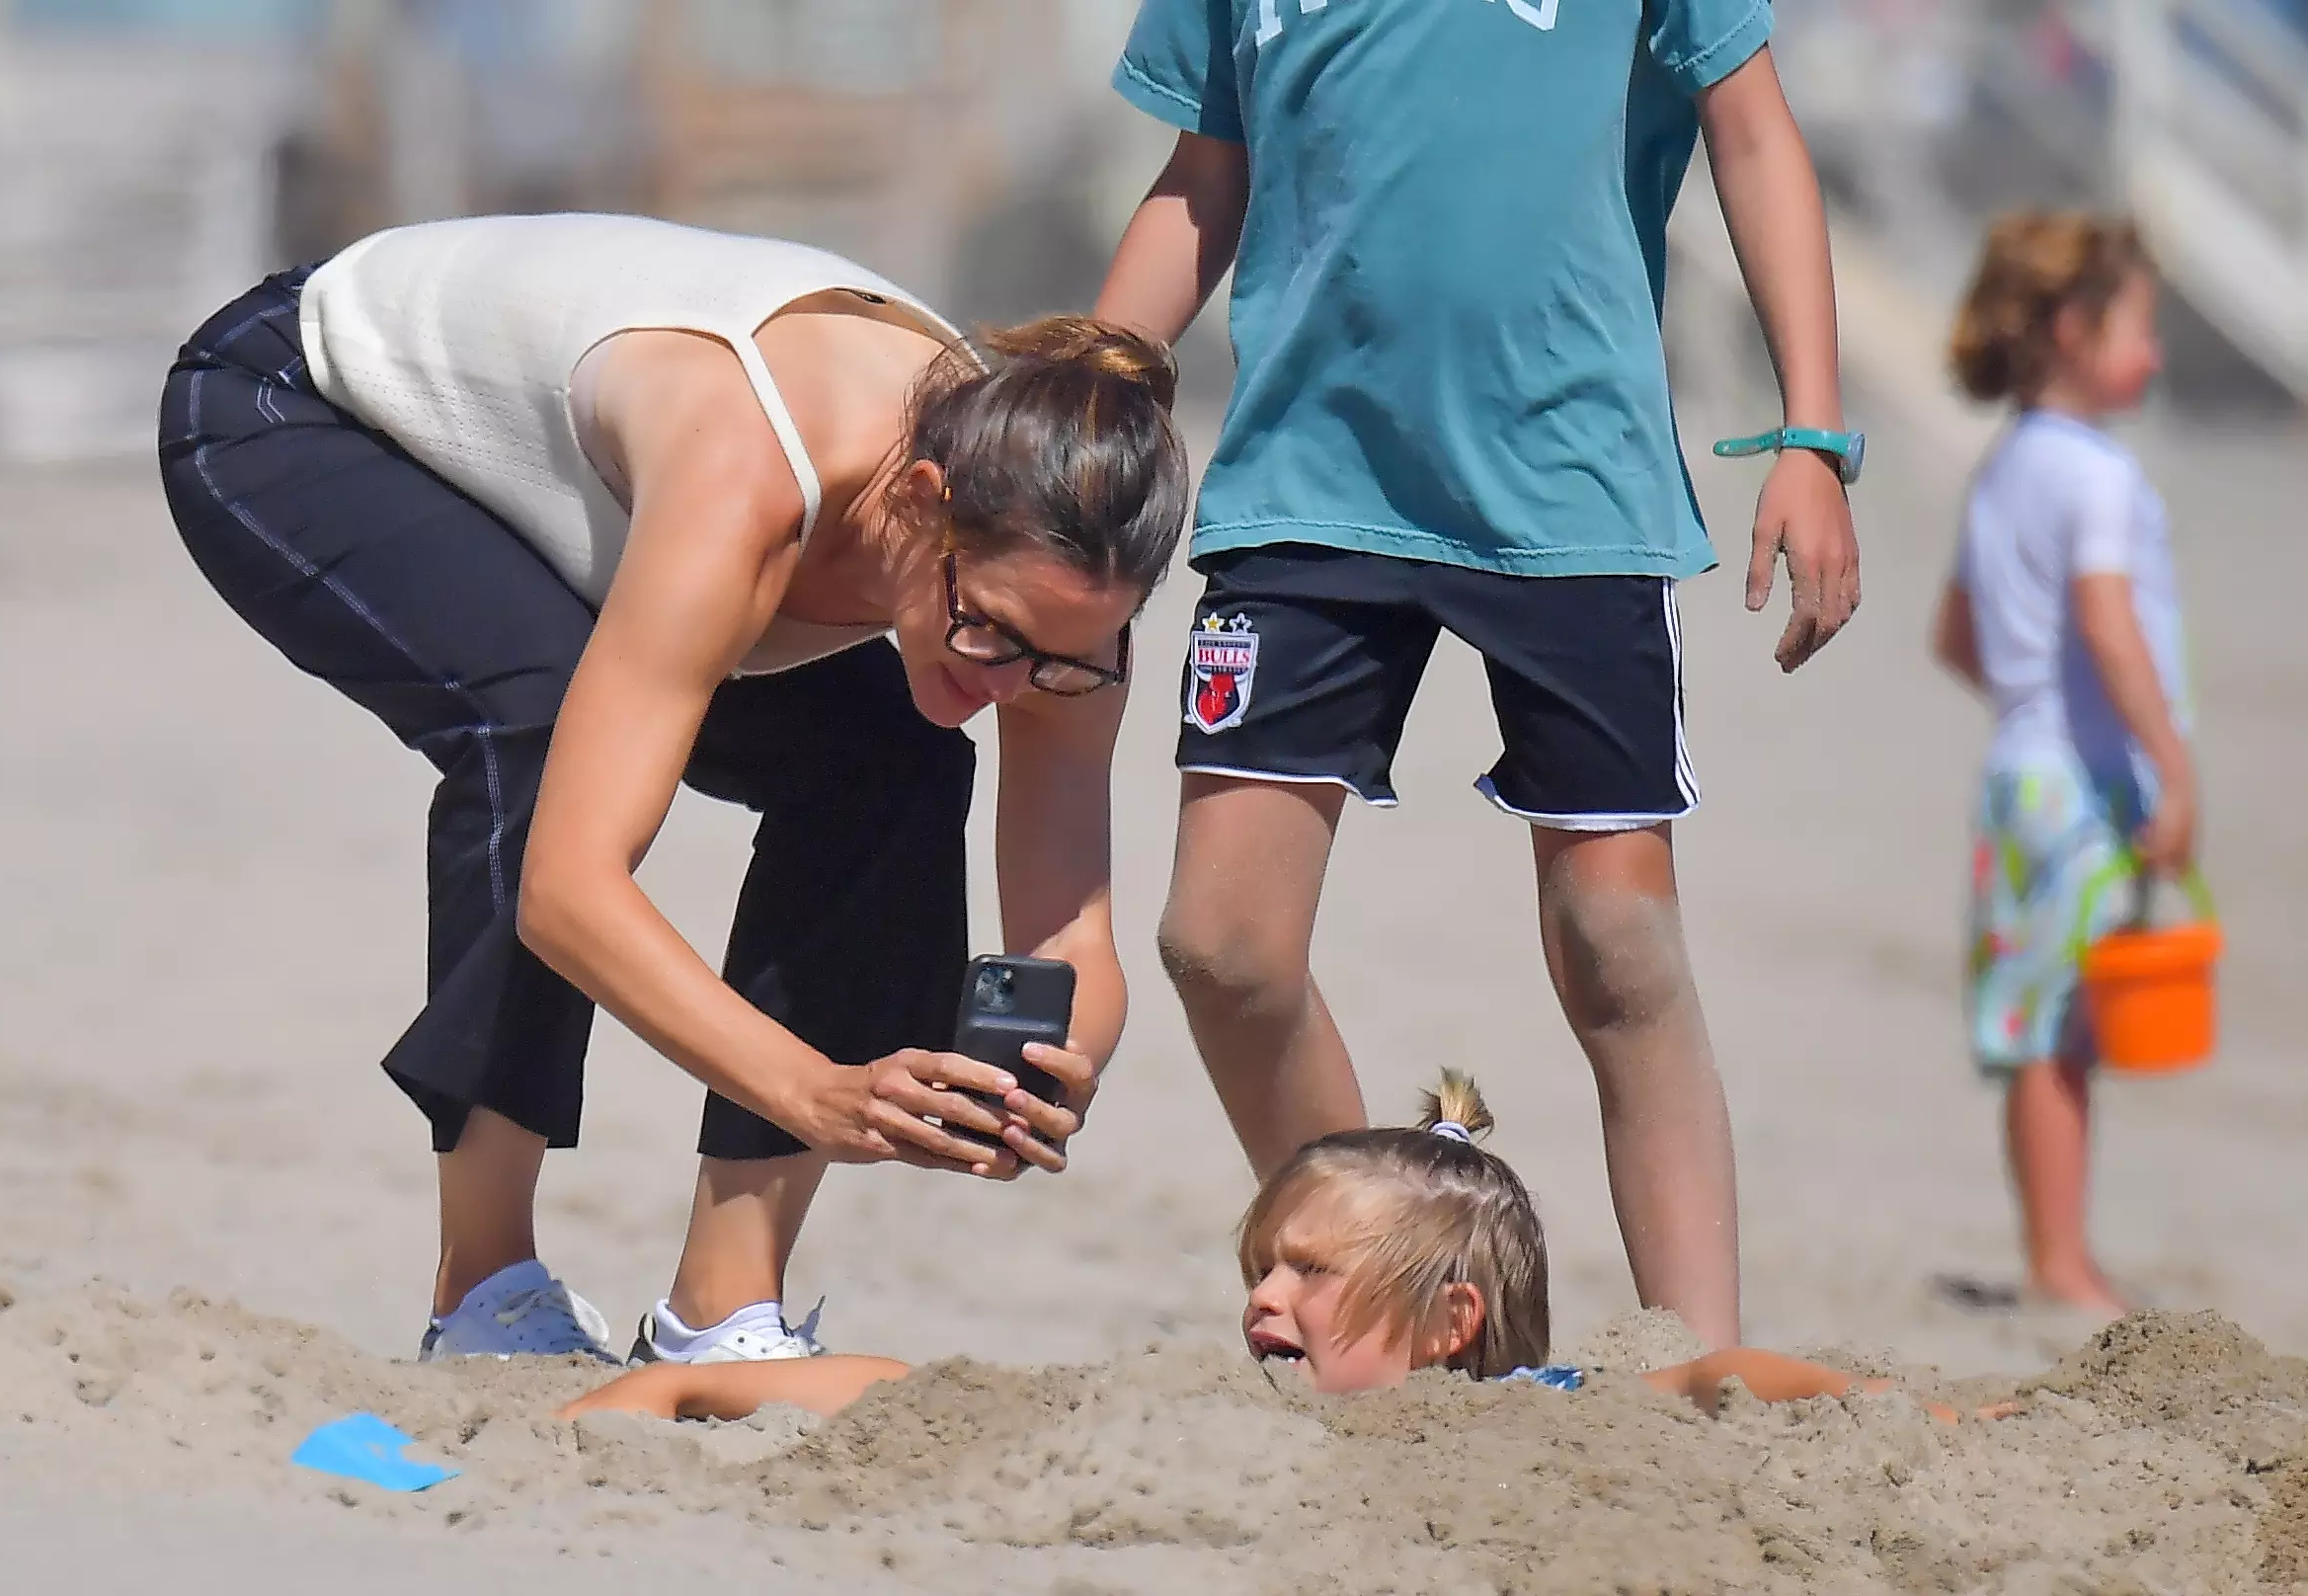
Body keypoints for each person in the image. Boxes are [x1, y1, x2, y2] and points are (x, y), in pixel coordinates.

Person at [157, 214, 1190, 1364]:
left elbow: (1071, 929)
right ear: (922, 500)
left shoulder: (1058, 597)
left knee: (897, 751)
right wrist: (812, 1088)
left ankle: (720, 1306)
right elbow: (566, 889)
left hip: (596, 500)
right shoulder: (748, 474)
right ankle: (485, 1290)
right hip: (296, 404)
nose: (1013, 684)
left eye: (1059, 662)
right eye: (989, 633)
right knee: (540, 731)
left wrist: (1053, 1075)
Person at [1078, 0, 1865, 1351]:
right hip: (1303, 487)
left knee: (1615, 946)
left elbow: (1752, 131)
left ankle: (1701, 1368)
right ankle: (1382, 1297)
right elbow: (1205, 173)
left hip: (1570, 481)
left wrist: (1810, 434)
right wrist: (1082, 394)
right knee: (1221, 945)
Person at [563, 1073, 2003, 1421]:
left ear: (1449, 1326)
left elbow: (1710, 1376)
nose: (1264, 1295)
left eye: (1310, 1274)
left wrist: (1927, 1414)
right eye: (1264, 1264)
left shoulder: (1533, 1418)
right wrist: (689, 1388)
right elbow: (930, 1400)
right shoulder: (1199, 1419)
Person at [1931, 213, 2190, 1317]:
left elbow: (1955, 633)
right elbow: (2106, 618)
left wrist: (2029, 708)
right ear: (2075, 330)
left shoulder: (2003, 468)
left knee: (2046, 1020)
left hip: (2019, 771)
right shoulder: (2093, 475)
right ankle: (2058, 1262)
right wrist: (2170, 766)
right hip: (2079, 780)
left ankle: (2059, 1250)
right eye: (2140, 326)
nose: (2156, 353)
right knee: (2054, 1031)